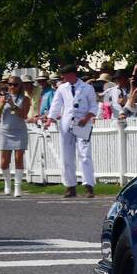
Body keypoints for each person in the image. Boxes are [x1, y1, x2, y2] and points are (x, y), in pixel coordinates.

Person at [47, 63, 98, 197]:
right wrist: (50, 119)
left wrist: (86, 118)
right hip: (67, 122)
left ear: (72, 74)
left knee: (85, 154)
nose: (63, 77)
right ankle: (70, 186)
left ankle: (89, 185)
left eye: (65, 74)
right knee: (66, 156)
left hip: (82, 123)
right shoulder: (62, 88)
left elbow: (93, 106)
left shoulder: (87, 88)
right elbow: (56, 104)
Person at [0, 75, 30, 196]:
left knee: (19, 159)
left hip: (19, 131)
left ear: (20, 86)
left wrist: (12, 104)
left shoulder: (25, 99)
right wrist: (3, 103)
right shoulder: (2, 97)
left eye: (15, 85)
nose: (12, 87)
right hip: (5, 131)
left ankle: (18, 186)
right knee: (4, 162)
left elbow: (24, 115)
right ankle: (7, 182)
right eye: (10, 84)